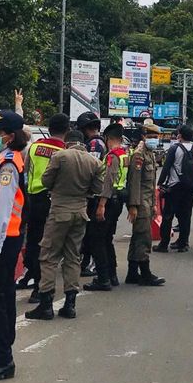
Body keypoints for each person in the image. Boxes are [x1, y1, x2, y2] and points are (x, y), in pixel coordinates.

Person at [25, 131, 103, 321]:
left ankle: (45, 304)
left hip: (59, 210)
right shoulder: (94, 162)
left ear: (67, 143)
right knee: (73, 257)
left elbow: (46, 181)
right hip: (80, 211)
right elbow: (97, 188)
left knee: (49, 256)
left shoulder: (60, 156)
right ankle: (70, 304)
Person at [0, 111, 28, 382]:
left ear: (9, 137)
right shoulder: (2, 160)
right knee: (2, 297)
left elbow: (3, 210)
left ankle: (2, 360)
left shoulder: (8, 165)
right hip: (2, 239)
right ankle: (3, 353)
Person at [20, 114, 69, 304]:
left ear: (49, 128)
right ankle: (43, 287)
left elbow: (26, 170)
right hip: (54, 201)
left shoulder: (34, 147)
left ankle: (32, 278)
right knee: (50, 245)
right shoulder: (64, 150)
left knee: (33, 241)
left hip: (33, 199)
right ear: (67, 130)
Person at [83, 123, 129, 291]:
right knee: (107, 239)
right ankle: (112, 275)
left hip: (107, 201)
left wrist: (101, 205)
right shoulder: (124, 154)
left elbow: (107, 182)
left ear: (109, 139)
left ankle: (103, 278)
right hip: (117, 201)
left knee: (96, 239)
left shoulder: (112, 156)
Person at [125, 123, 165, 286]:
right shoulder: (139, 155)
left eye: (156, 138)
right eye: (151, 137)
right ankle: (145, 272)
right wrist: (133, 206)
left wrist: (154, 204)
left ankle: (132, 272)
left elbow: (151, 183)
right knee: (144, 237)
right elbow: (134, 182)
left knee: (137, 237)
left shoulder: (149, 153)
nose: (154, 140)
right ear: (143, 137)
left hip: (147, 201)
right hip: (140, 202)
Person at [156, 125, 193, 253]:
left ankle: (164, 244)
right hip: (190, 188)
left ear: (179, 135)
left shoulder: (175, 149)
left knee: (168, 216)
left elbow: (166, 167)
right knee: (185, 215)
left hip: (174, 186)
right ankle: (183, 243)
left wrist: (160, 183)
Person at [77, 111, 107, 278]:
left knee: (90, 232)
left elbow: (90, 169)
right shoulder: (99, 142)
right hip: (96, 194)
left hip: (93, 195)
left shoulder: (94, 144)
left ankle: (88, 263)